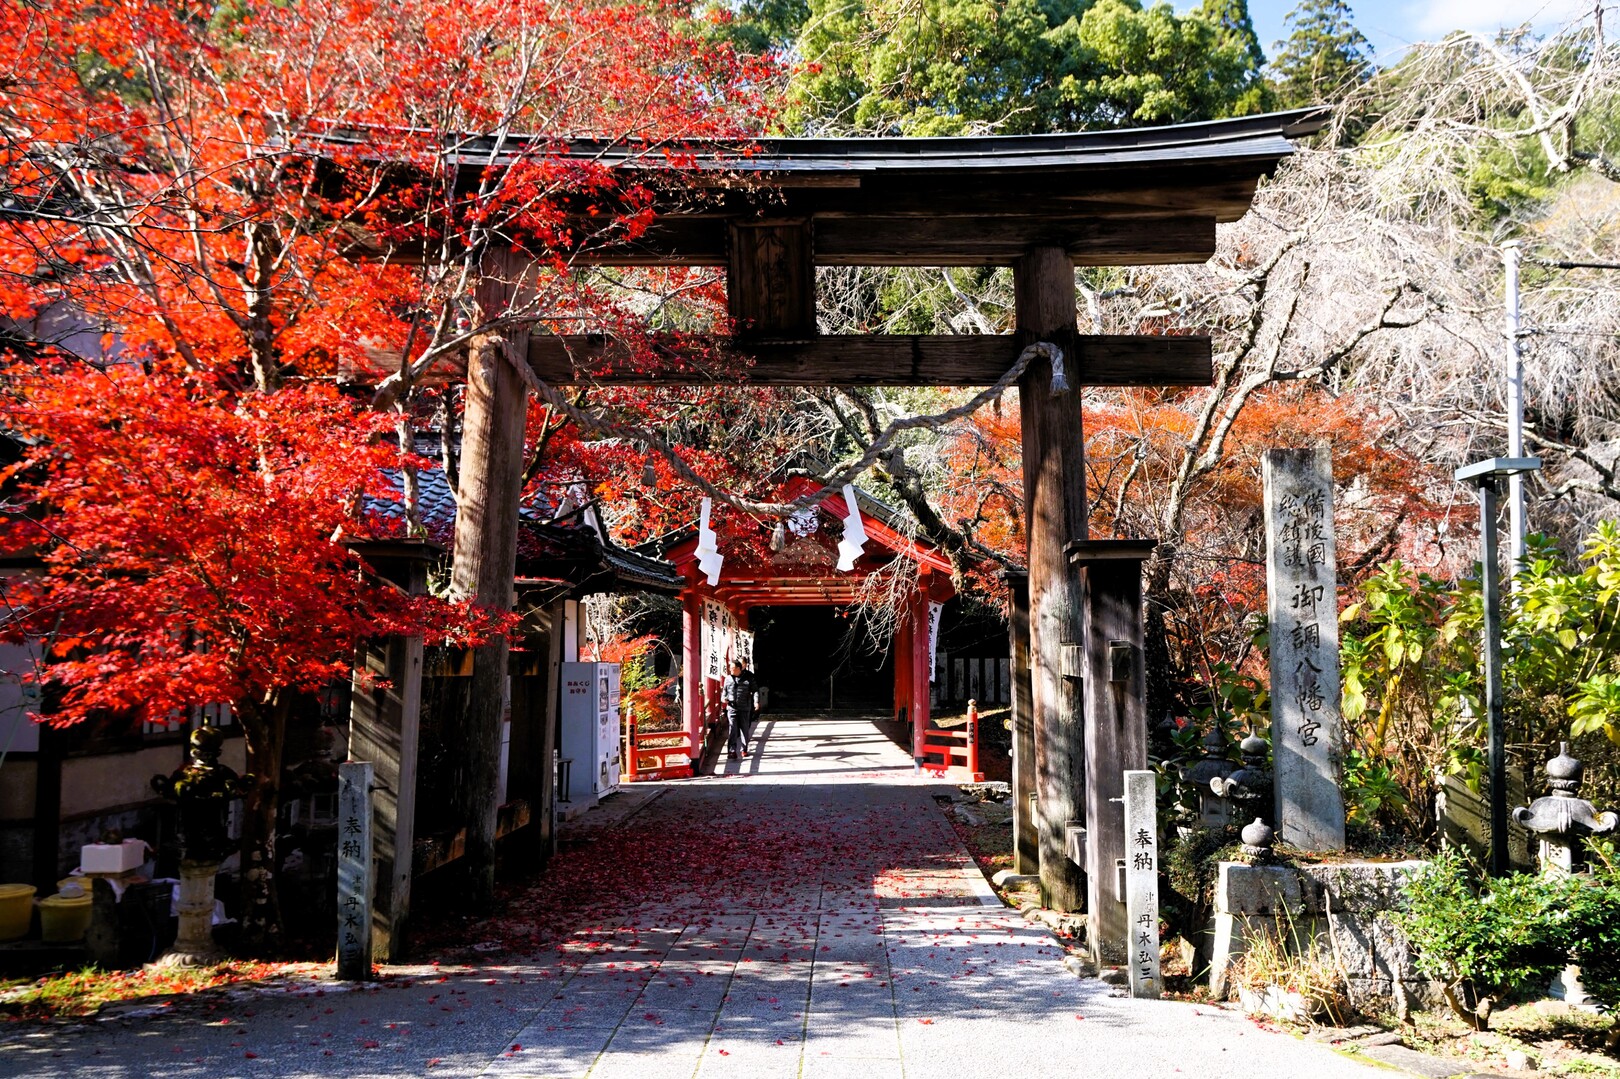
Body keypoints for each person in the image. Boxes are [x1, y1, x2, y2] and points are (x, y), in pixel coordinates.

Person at [722, 659, 756, 761]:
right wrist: (723, 699)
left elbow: (755, 690)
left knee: (744, 729)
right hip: (732, 708)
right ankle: (732, 751)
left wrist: (756, 702)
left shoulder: (748, 678)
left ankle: (743, 749)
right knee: (732, 729)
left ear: (738, 668)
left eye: (732, 668)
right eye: (730, 668)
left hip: (744, 708)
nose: (730, 670)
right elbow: (724, 692)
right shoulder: (727, 679)